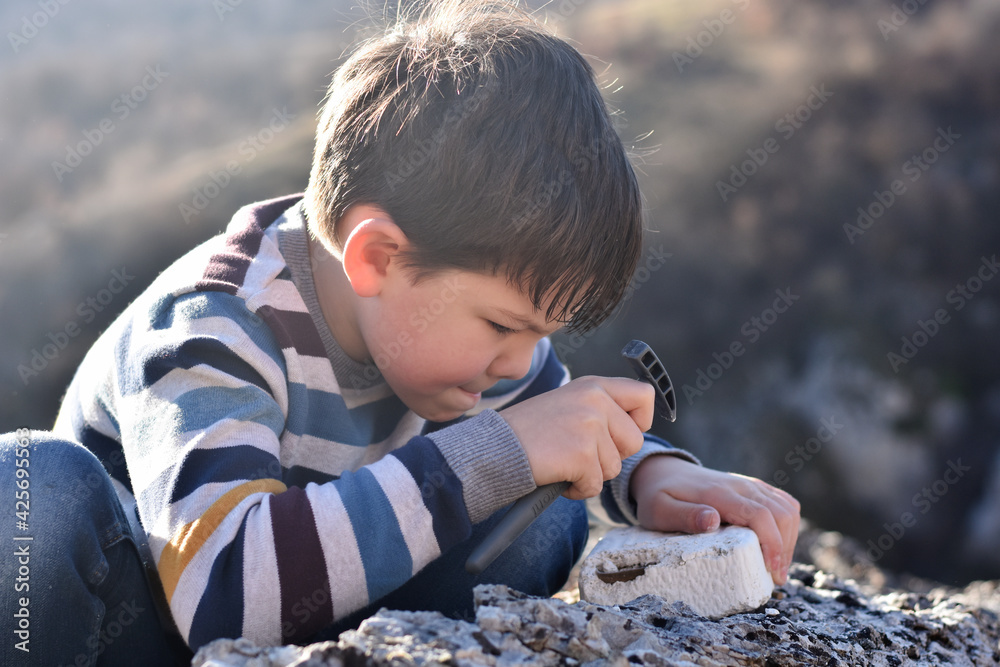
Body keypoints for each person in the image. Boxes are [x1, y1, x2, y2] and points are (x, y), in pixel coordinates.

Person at [0, 0, 799, 662]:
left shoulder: (448, 340)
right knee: (35, 488)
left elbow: (553, 419)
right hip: (147, 626)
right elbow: (225, 596)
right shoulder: (213, 328)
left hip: (326, 623)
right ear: (377, 256)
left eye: (540, 333)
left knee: (544, 510)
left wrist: (650, 476)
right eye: (501, 324)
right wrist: (499, 450)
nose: (523, 361)